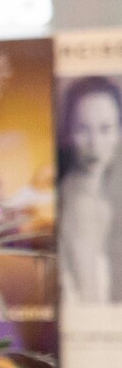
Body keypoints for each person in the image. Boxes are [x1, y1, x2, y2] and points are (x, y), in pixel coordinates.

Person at [60, 77, 122, 306]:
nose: (94, 143)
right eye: (82, 129)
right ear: (67, 133)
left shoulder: (104, 194)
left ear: (118, 133)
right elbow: (90, 300)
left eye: (105, 128)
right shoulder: (80, 203)